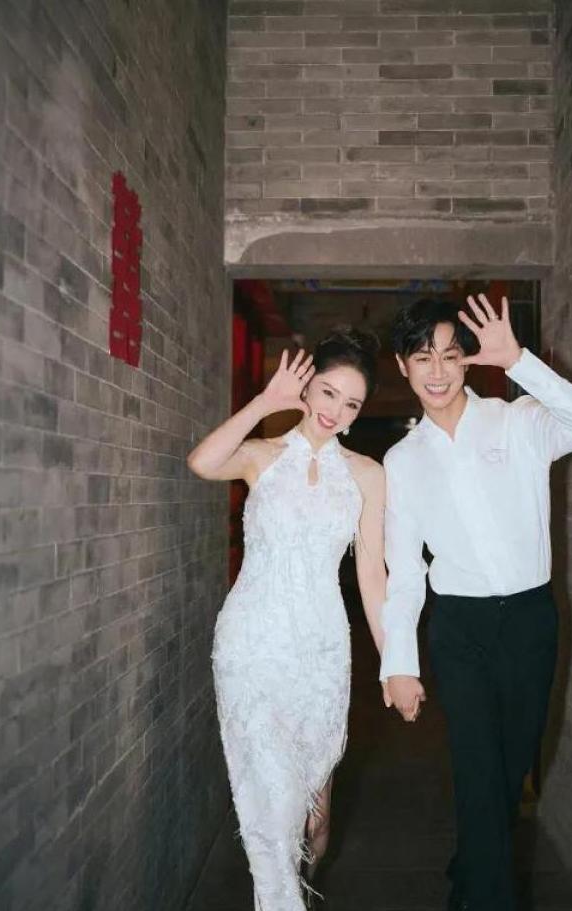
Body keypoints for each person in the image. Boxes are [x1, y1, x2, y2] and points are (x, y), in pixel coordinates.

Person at [379, 294, 572, 911]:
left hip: (530, 621)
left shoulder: (518, 420)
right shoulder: (402, 460)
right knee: (478, 771)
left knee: (509, 774)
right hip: (460, 629)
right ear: (402, 366)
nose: (437, 371)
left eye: (449, 355)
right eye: (422, 357)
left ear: (467, 360)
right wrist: (398, 663)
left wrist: (520, 362)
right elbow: (404, 571)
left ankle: (471, 871)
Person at [187, 327, 388, 911]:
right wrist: (261, 404)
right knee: (271, 817)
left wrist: (393, 662)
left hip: (322, 654)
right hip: (251, 647)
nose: (336, 411)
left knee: (313, 822)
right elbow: (202, 461)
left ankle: (296, 890)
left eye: (352, 404)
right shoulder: (262, 455)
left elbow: (372, 575)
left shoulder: (367, 474)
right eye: (328, 393)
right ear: (306, 388)